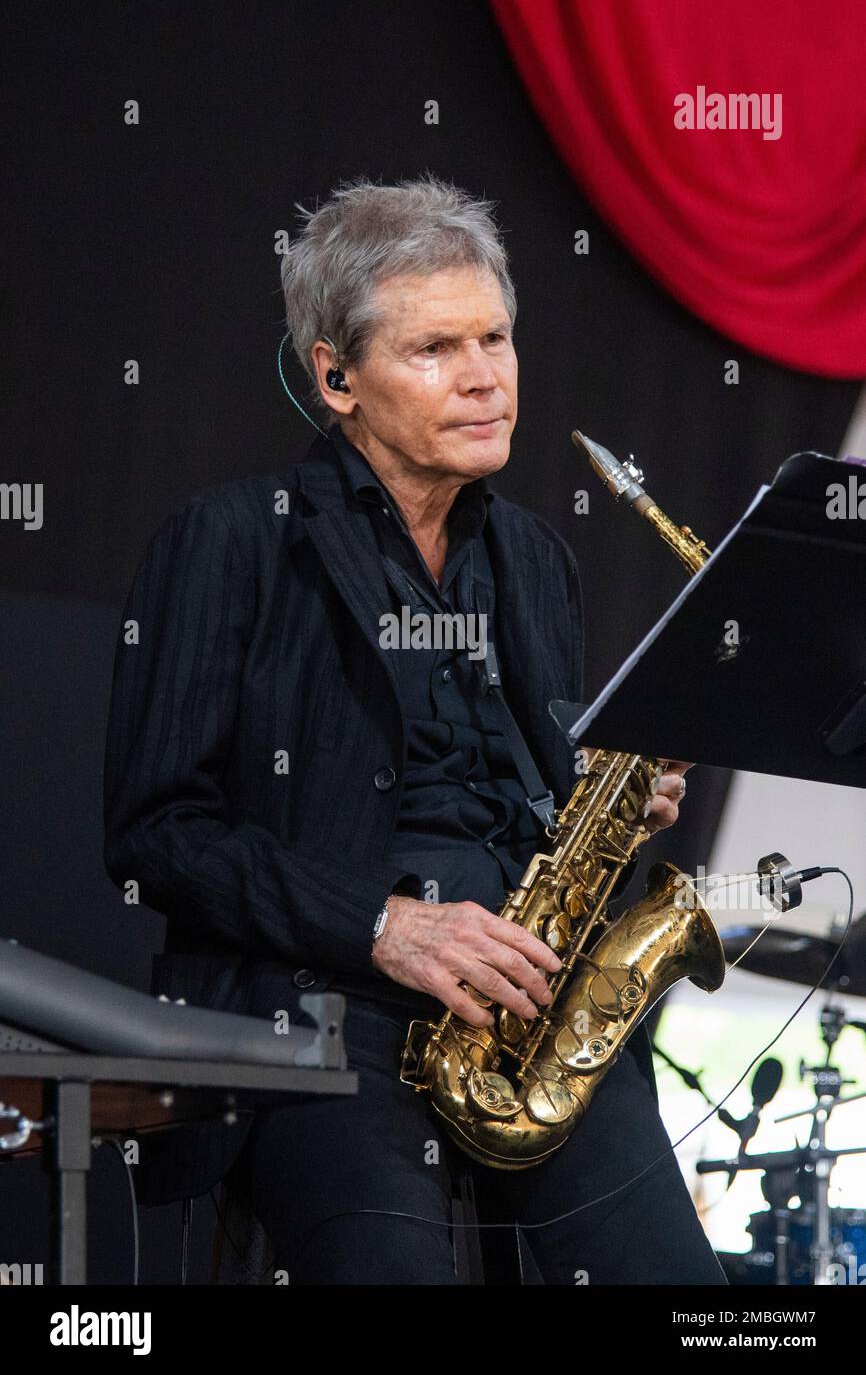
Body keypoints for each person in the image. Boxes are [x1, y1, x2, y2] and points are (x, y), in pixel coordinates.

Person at [103, 175, 725, 1285]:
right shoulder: (228, 539)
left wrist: (607, 806)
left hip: (528, 1015)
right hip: (324, 1022)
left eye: (495, 336)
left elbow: (525, 797)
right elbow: (156, 834)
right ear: (334, 377)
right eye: (436, 348)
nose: (485, 377)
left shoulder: (535, 558)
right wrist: (386, 926)